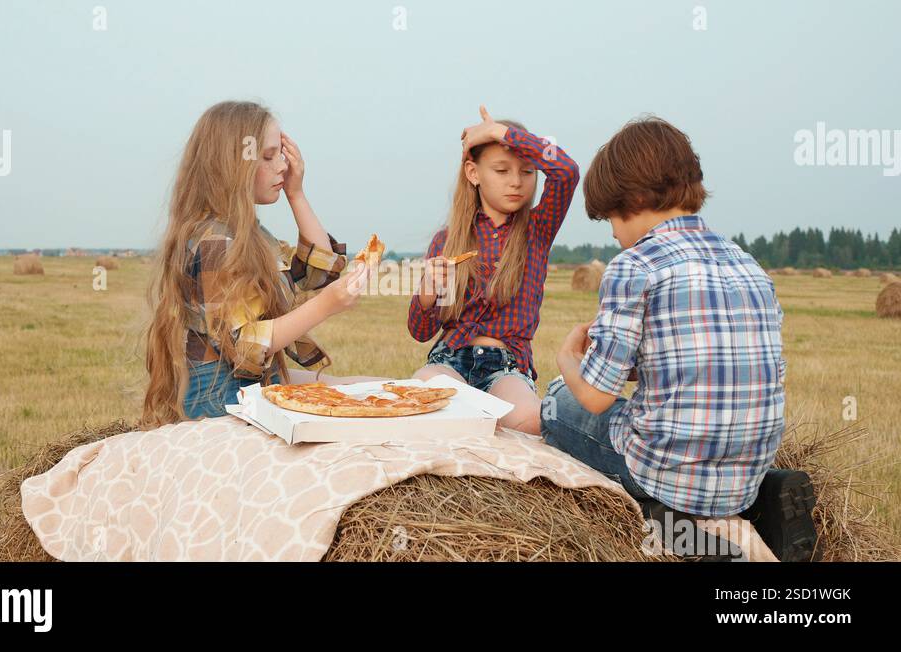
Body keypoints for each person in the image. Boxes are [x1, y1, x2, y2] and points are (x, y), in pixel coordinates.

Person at [541, 116, 819, 561]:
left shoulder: (634, 266)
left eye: (611, 217)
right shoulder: (748, 264)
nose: (613, 233)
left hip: (667, 469)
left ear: (631, 199)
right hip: (747, 467)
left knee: (557, 404)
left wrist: (567, 359)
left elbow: (594, 397)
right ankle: (760, 499)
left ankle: (666, 521)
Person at [141, 101, 376, 426]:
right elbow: (243, 346)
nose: (282, 165)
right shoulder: (214, 241)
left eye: (281, 152)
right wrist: (328, 304)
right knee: (348, 402)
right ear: (232, 165)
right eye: (268, 156)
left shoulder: (248, 233)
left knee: (365, 387)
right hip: (219, 402)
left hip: (251, 384)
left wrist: (296, 194)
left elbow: (317, 273)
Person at [408, 106, 579, 435]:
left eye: (527, 172)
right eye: (501, 170)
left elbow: (566, 171)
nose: (516, 182)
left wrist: (499, 133)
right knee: (421, 397)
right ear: (473, 173)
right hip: (450, 359)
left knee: (531, 422)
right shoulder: (447, 240)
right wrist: (427, 294)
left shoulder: (538, 229)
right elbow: (420, 331)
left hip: (506, 366)